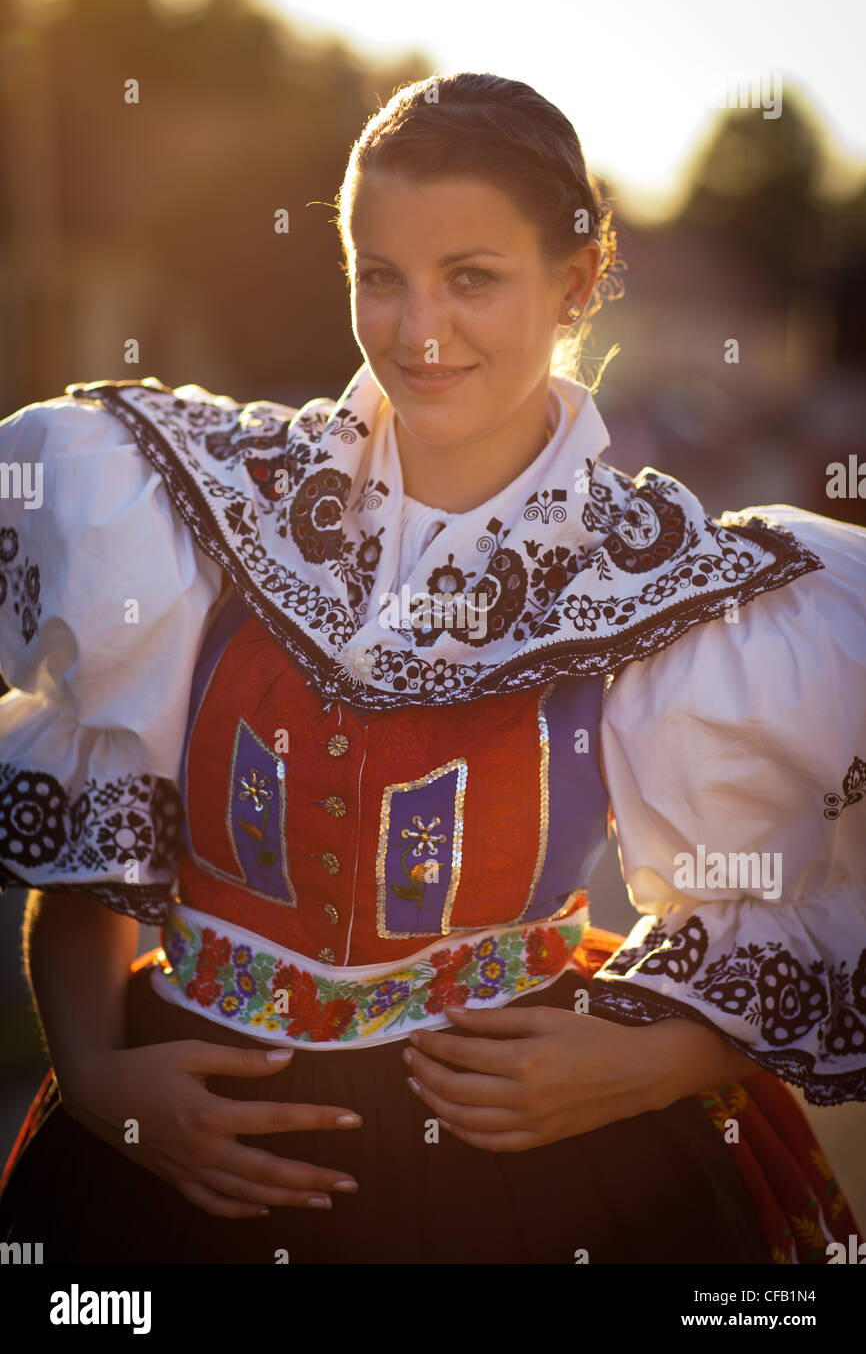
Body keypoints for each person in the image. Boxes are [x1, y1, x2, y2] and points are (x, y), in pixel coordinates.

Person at [0, 71, 863, 1266]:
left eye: (471, 278)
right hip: (178, 1171)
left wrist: (646, 1062)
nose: (418, 331)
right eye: (379, 275)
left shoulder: (673, 585)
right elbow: (95, 857)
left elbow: (801, 900)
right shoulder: (187, 501)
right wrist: (99, 1076)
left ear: (571, 283)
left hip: (533, 1173)